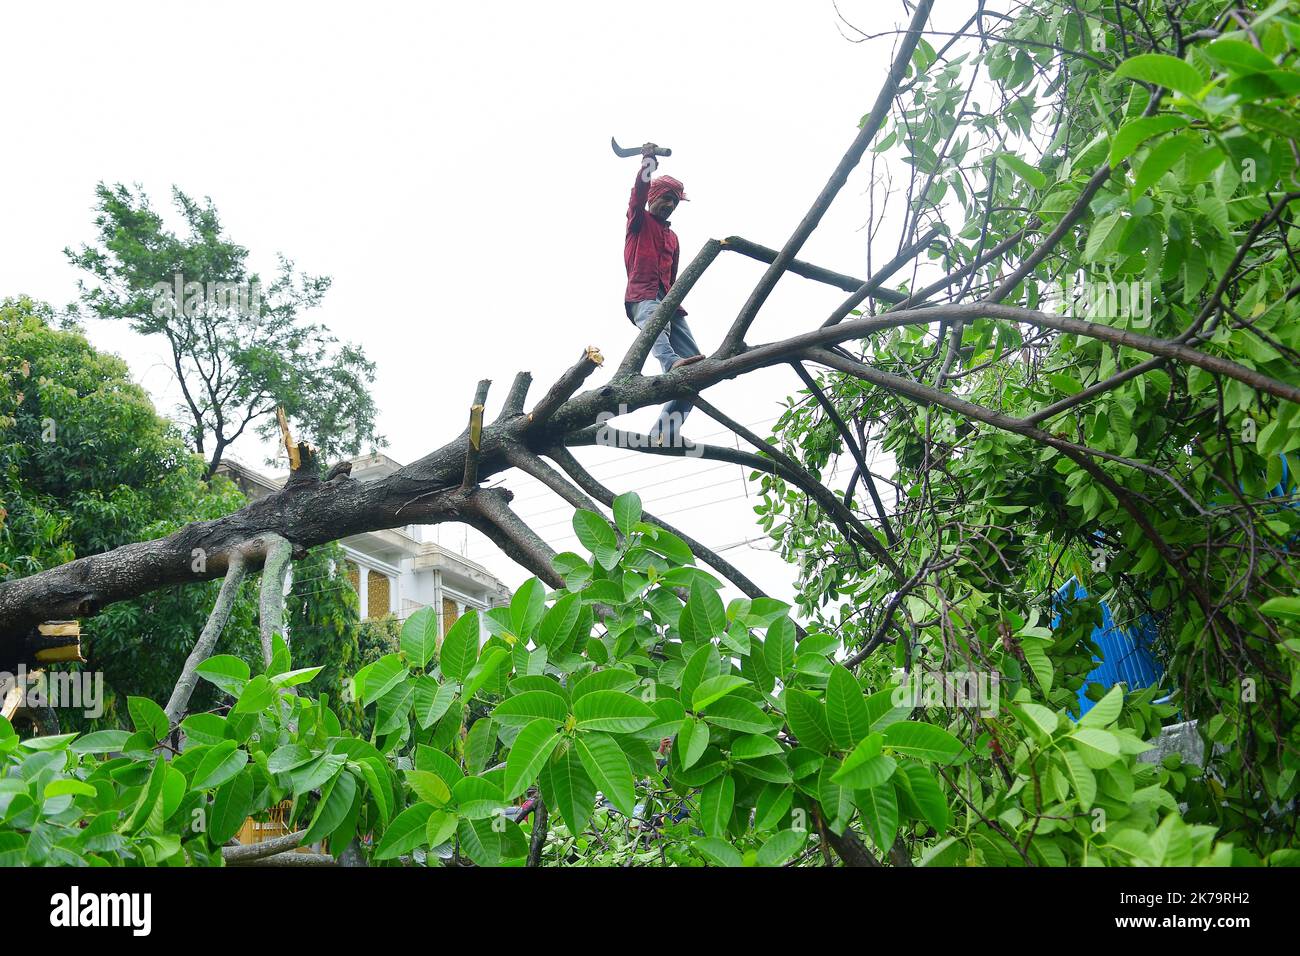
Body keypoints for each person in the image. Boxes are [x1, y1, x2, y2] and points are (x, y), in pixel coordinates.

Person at [624, 142, 703, 446]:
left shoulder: (672, 237)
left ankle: (663, 434)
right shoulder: (638, 222)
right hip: (644, 297)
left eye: (675, 202)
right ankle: (669, 363)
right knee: (659, 330)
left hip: (671, 303)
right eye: (666, 199)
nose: (670, 205)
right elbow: (638, 194)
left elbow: (673, 277)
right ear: (654, 198)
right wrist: (647, 161)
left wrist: (673, 302)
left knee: (696, 368)